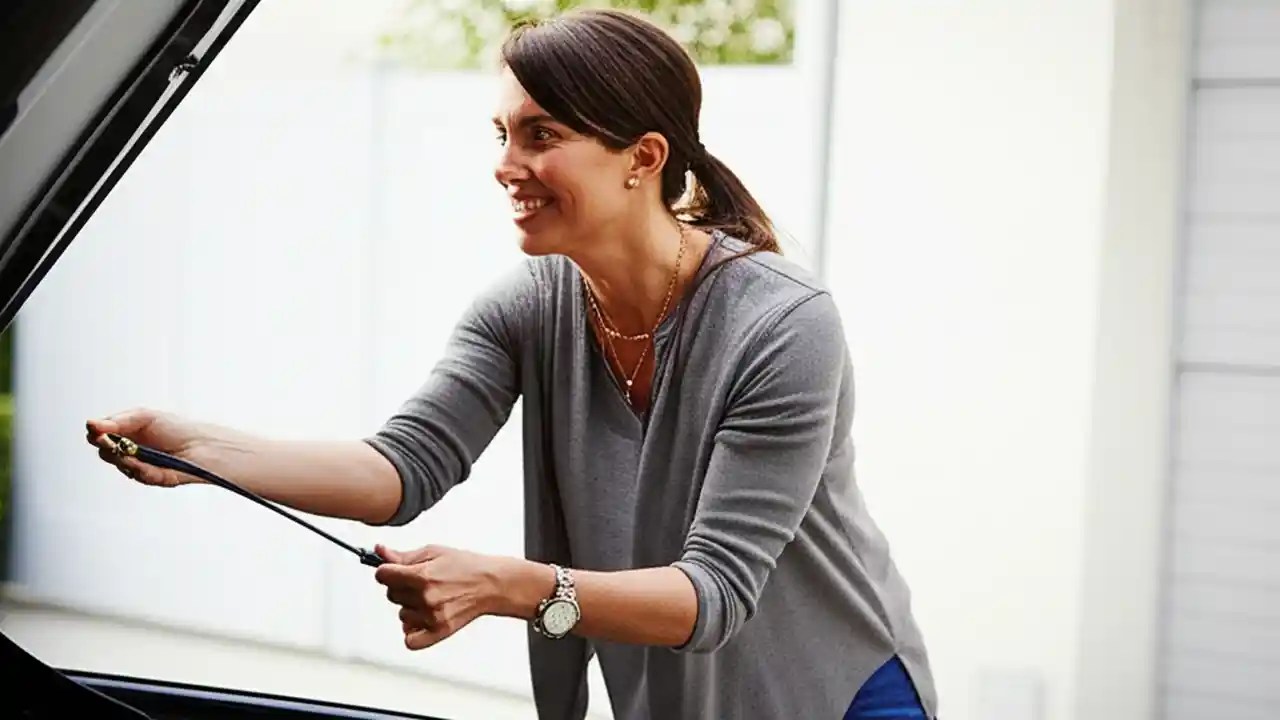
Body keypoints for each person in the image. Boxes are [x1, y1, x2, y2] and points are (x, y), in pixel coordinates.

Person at [86, 9, 937, 720]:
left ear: (643, 158)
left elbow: (711, 593)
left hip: (840, 693)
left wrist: (501, 584)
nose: (504, 165)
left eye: (541, 134)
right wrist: (199, 453)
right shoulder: (528, 304)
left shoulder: (783, 324)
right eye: (502, 133)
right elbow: (402, 467)